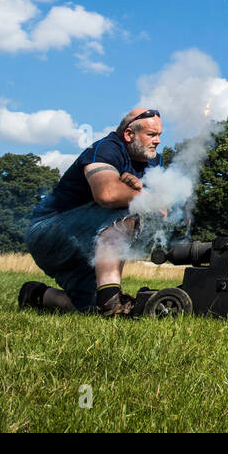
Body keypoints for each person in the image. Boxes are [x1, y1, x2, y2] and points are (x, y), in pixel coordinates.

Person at [18, 107, 163, 315]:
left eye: (159, 135)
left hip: (85, 240)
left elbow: (162, 209)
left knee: (89, 307)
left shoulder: (153, 160)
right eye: (151, 134)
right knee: (132, 207)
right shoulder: (107, 149)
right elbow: (107, 194)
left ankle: (37, 295)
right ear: (129, 134)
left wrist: (139, 191)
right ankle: (111, 299)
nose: (157, 141)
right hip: (49, 230)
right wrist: (138, 194)